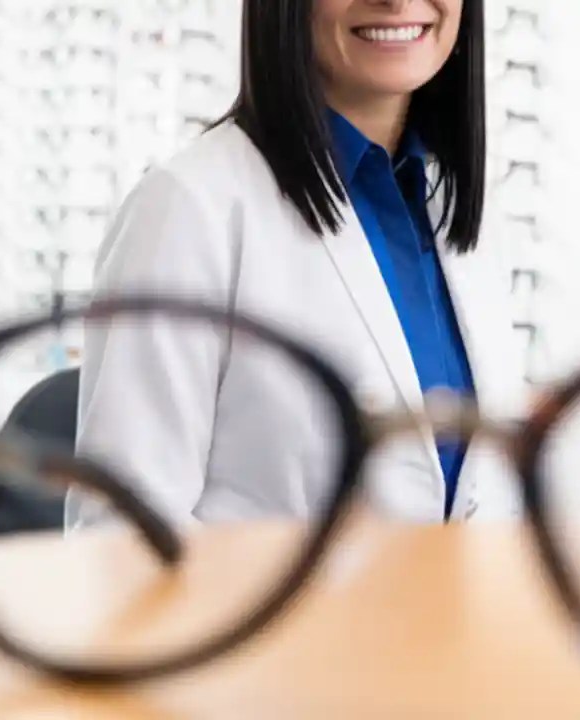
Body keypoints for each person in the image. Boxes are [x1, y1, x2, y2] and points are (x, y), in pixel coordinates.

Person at [65, 0, 527, 531]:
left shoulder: (461, 207)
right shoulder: (189, 205)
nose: (397, 1)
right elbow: (121, 535)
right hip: (265, 616)